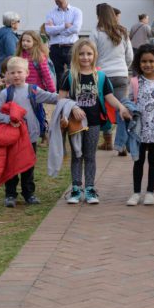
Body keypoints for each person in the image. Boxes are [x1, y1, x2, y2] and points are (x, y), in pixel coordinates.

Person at [58, 38, 131, 205]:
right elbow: (61, 99)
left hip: (93, 123)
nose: (85, 57)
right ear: (76, 55)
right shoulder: (69, 76)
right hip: (74, 124)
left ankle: (90, 188)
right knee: (77, 155)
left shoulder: (101, 77)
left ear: (95, 55)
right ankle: (76, 188)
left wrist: (121, 107)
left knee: (90, 156)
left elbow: (109, 97)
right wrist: (64, 115)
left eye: (89, 54)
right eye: (81, 54)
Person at [0, 56, 62, 207]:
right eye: (12, 73)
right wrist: (9, 119)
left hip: (30, 137)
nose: (16, 75)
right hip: (12, 137)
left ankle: (29, 193)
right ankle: (10, 194)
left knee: (28, 166)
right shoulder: (5, 94)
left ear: (27, 73)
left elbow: (52, 98)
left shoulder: (33, 90)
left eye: (19, 72)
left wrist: (68, 95)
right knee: (11, 166)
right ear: (7, 75)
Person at [126, 44, 154, 206]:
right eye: (144, 61)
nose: (148, 64)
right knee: (138, 161)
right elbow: (130, 100)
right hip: (139, 129)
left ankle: (150, 192)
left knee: (153, 161)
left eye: (151, 61)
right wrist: (128, 111)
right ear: (139, 63)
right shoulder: (135, 82)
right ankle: (136, 192)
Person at [91, 3, 133, 152]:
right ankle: (121, 144)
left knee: (102, 108)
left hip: (103, 75)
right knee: (121, 108)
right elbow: (129, 56)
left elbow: (92, 55)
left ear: (99, 16)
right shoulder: (123, 32)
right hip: (121, 74)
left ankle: (107, 140)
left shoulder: (96, 32)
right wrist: (124, 68)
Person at [43, 0, 82, 80]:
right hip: (55, 48)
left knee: (74, 73)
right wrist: (64, 26)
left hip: (71, 47)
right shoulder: (50, 13)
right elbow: (48, 30)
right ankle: (59, 94)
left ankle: (72, 93)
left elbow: (76, 29)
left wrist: (57, 31)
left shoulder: (76, 11)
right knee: (57, 75)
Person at [16, 30, 56, 95]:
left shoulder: (39, 56)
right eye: (23, 40)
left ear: (35, 42)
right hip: (21, 88)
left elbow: (46, 74)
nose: (25, 43)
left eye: (28, 41)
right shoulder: (19, 55)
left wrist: (52, 90)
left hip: (35, 89)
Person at [0, 11, 21, 76]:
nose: (19, 23)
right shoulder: (9, 35)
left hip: (4, 66)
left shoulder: (3, 32)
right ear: (12, 23)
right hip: (8, 68)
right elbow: (12, 54)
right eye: (18, 21)